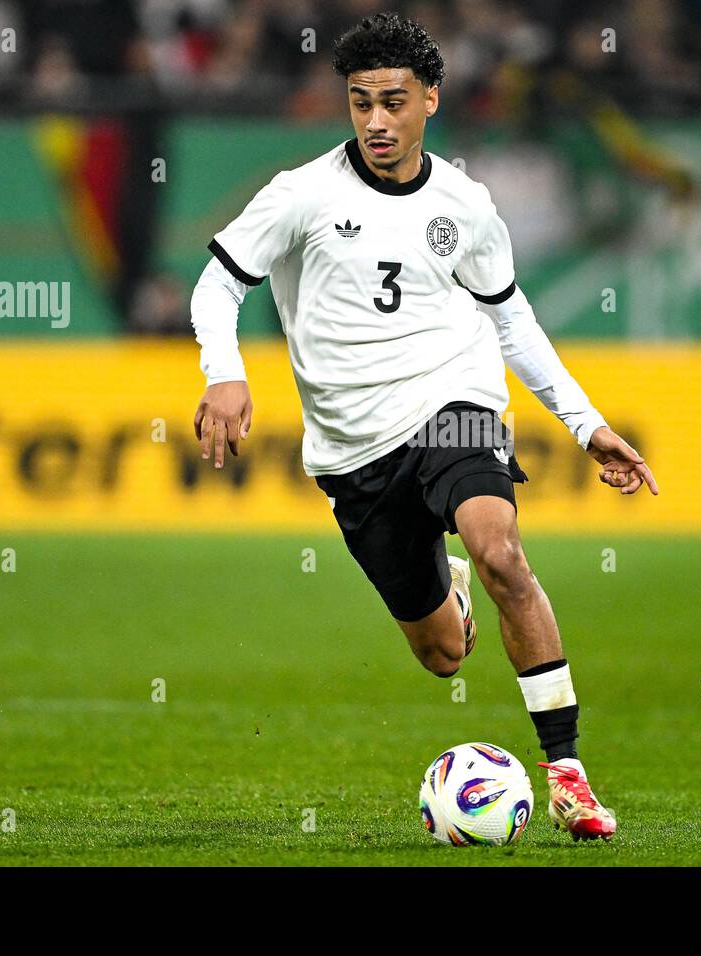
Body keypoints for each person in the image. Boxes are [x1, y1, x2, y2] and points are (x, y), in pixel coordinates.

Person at [189, 12, 657, 842]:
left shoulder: (465, 205)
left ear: (430, 100)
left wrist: (587, 427)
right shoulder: (301, 194)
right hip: (352, 451)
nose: (375, 121)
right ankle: (452, 591)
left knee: (501, 546)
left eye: (394, 102)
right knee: (443, 653)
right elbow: (216, 287)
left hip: (454, 402)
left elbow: (511, 320)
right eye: (361, 102)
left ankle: (568, 774)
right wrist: (224, 372)